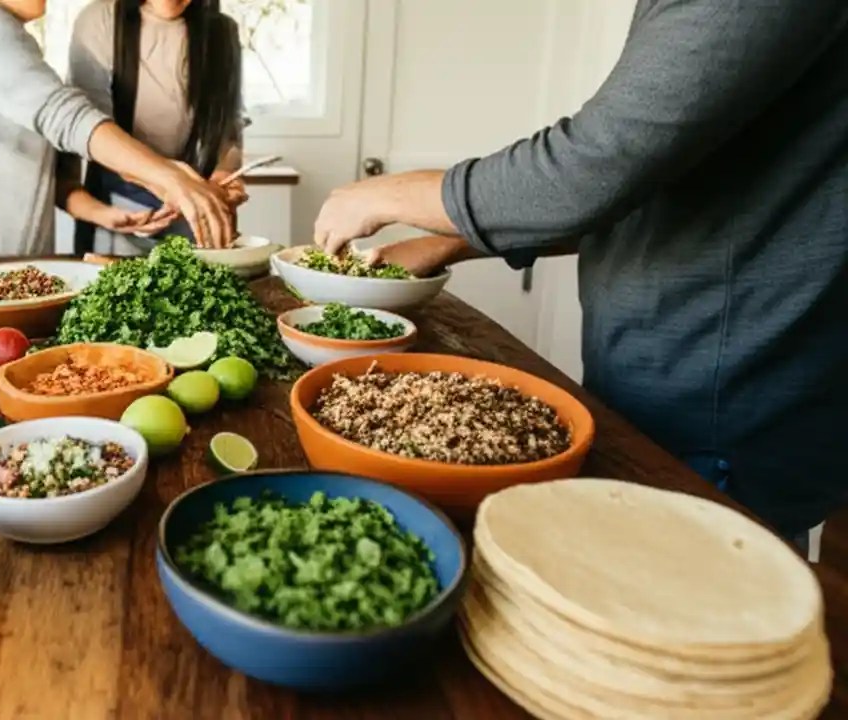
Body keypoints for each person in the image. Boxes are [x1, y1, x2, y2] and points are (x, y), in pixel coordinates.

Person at [312, 2, 848, 545]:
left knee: (686, 603)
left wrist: (391, 193)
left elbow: (596, 165)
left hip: (721, 406)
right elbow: (639, 184)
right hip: (669, 376)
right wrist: (445, 242)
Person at [0, 0, 232, 299]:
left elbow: (46, 175)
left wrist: (105, 213)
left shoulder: (17, 42)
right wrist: (167, 176)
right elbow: (66, 116)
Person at [58, 0, 247, 255]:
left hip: (192, 208)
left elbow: (228, 126)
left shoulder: (223, 32)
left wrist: (224, 175)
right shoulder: (100, 19)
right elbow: (90, 129)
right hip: (119, 209)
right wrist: (170, 181)